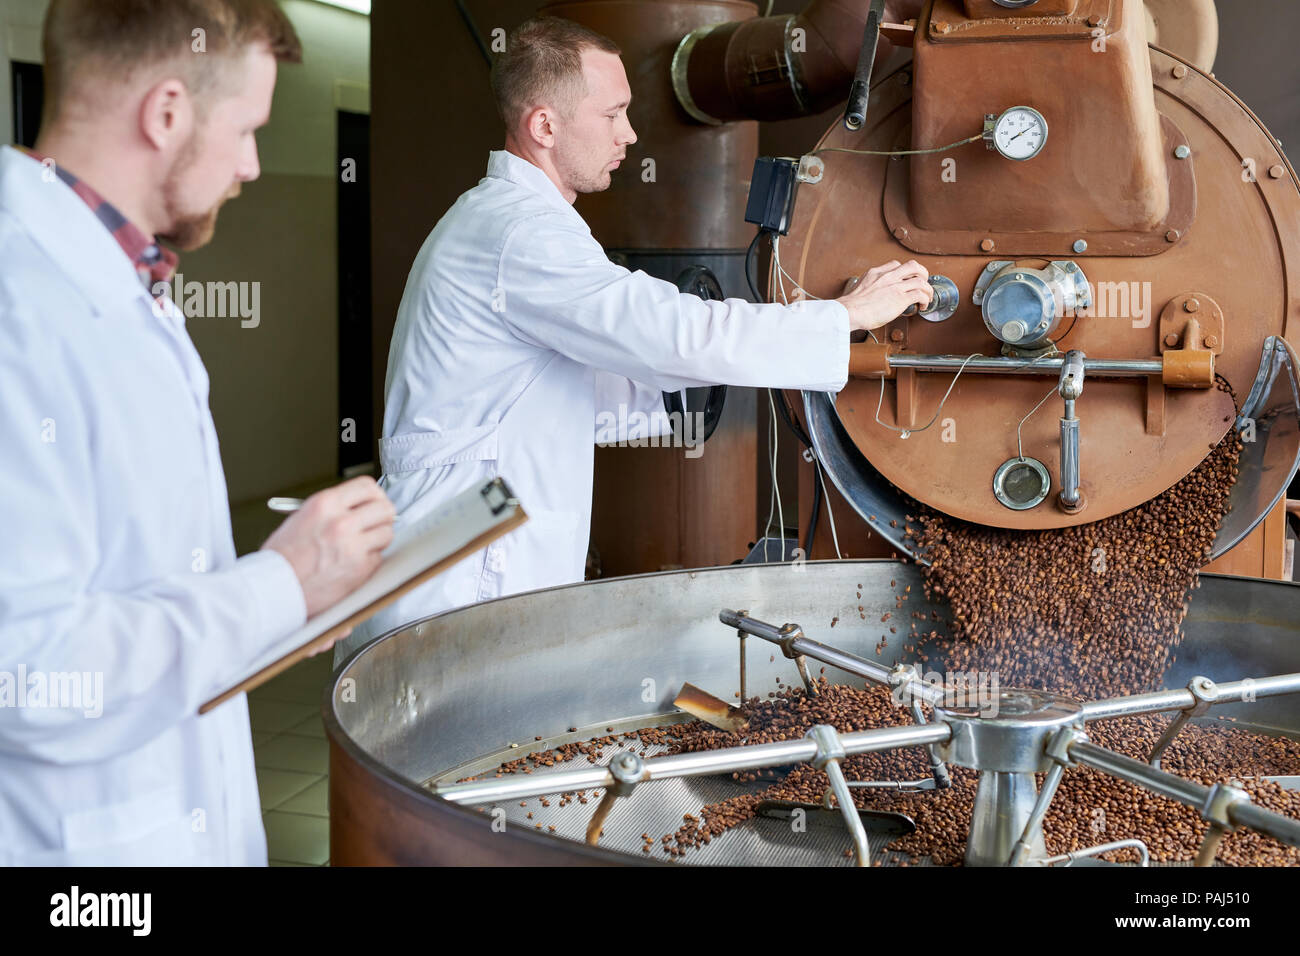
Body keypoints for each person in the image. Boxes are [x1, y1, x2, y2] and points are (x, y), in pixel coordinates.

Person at [333, 15, 930, 664]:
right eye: (613, 114)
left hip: (469, 548)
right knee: (456, 754)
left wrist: (676, 397)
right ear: (544, 126)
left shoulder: (517, 222)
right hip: (462, 570)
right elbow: (671, 332)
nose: (631, 133)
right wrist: (844, 314)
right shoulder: (518, 234)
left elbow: (553, 396)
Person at [0, 0, 394, 865]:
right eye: (248, 127)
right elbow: (28, 673)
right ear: (167, 112)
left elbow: (139, 572)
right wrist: (281, 584)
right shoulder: (17, 305)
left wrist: (287, 603)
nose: (254, 164)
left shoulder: (127, 273)